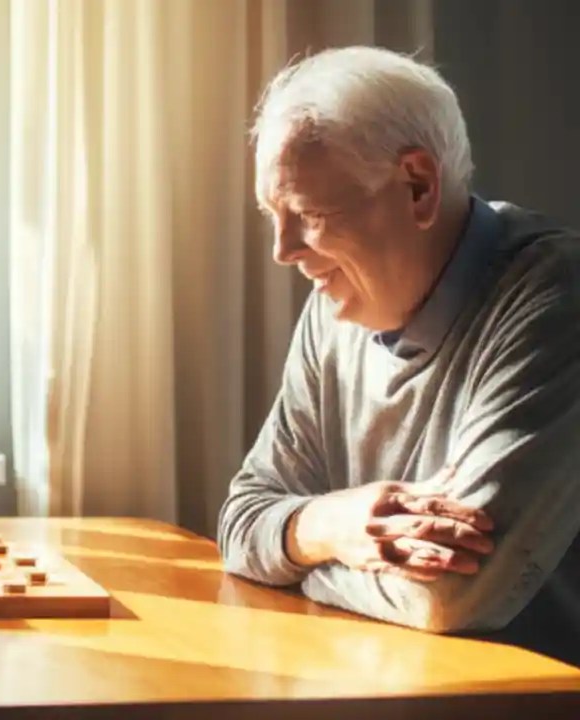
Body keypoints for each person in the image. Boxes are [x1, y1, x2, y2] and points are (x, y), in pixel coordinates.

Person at [219, 46, 580, 664]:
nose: (283, 250)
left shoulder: (554, 298)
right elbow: (240, 520)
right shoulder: (337, 303)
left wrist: (298, 557)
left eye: (307, 213)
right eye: (271, 215)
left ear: (417, 186)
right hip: (385, 679)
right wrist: (335, 525)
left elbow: (448, 594)